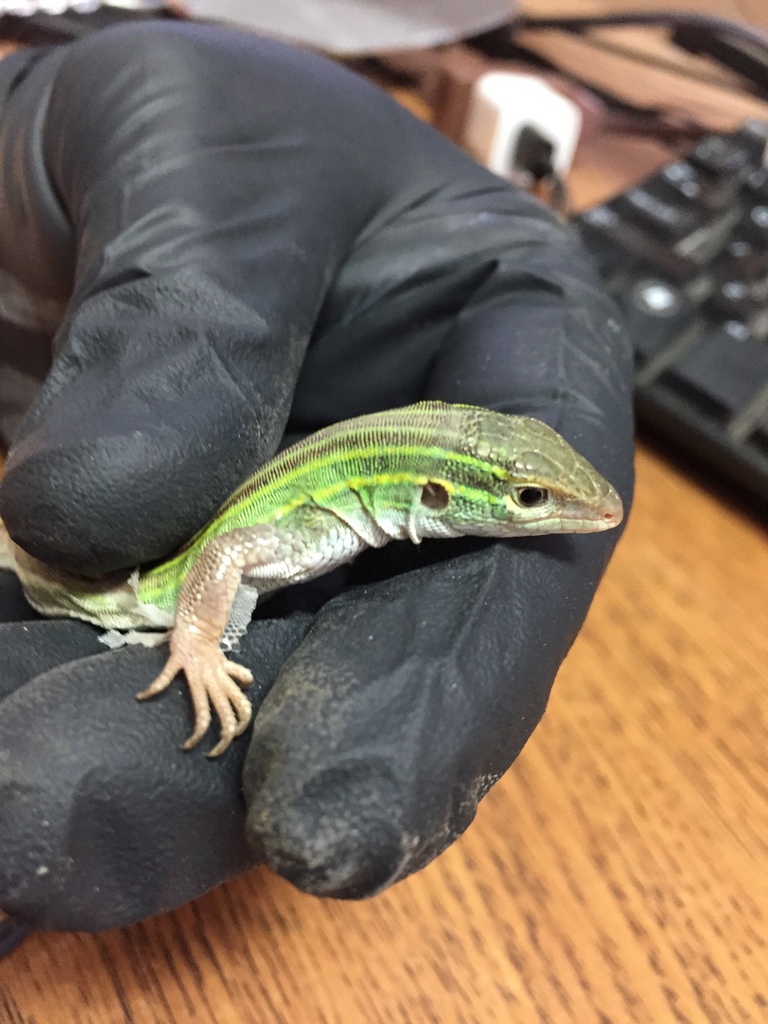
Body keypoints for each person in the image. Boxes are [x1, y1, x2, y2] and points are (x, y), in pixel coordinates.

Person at [0, 21, 633, 943]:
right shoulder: (318, 524)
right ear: (435, 495)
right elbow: (233, 550)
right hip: (113, 591)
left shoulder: (371, 491)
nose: (570, 513)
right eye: (530, 498)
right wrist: (202, 646)